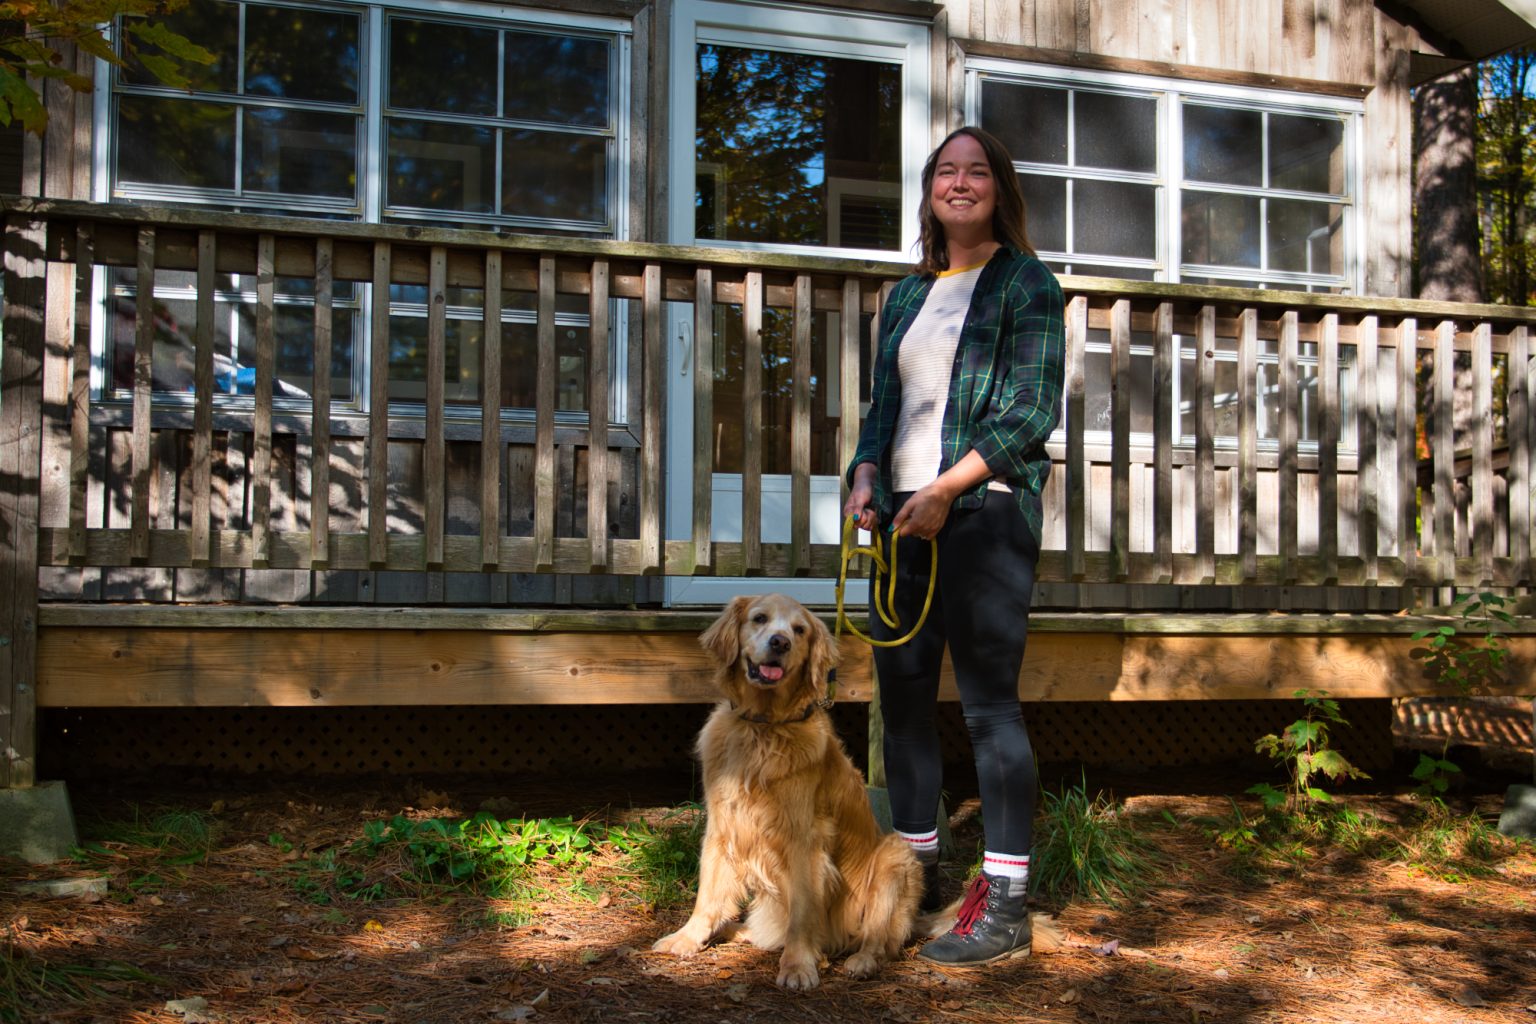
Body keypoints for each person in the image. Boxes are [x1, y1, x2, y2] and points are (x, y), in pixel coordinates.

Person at [842, 126, 1065, 967]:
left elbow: (1029, 412)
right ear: (931, 190)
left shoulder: (1027, 284)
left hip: (983, 517)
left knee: (988, 709)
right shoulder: (907, 296)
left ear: (999, 189)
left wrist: (945, 488)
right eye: (946, 171)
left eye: (976, 171)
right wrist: (867, 475)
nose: (959, 183)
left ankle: (1004, 908)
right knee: (902, 701)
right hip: (903, 519)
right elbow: (882, 409)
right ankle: (915, 882)